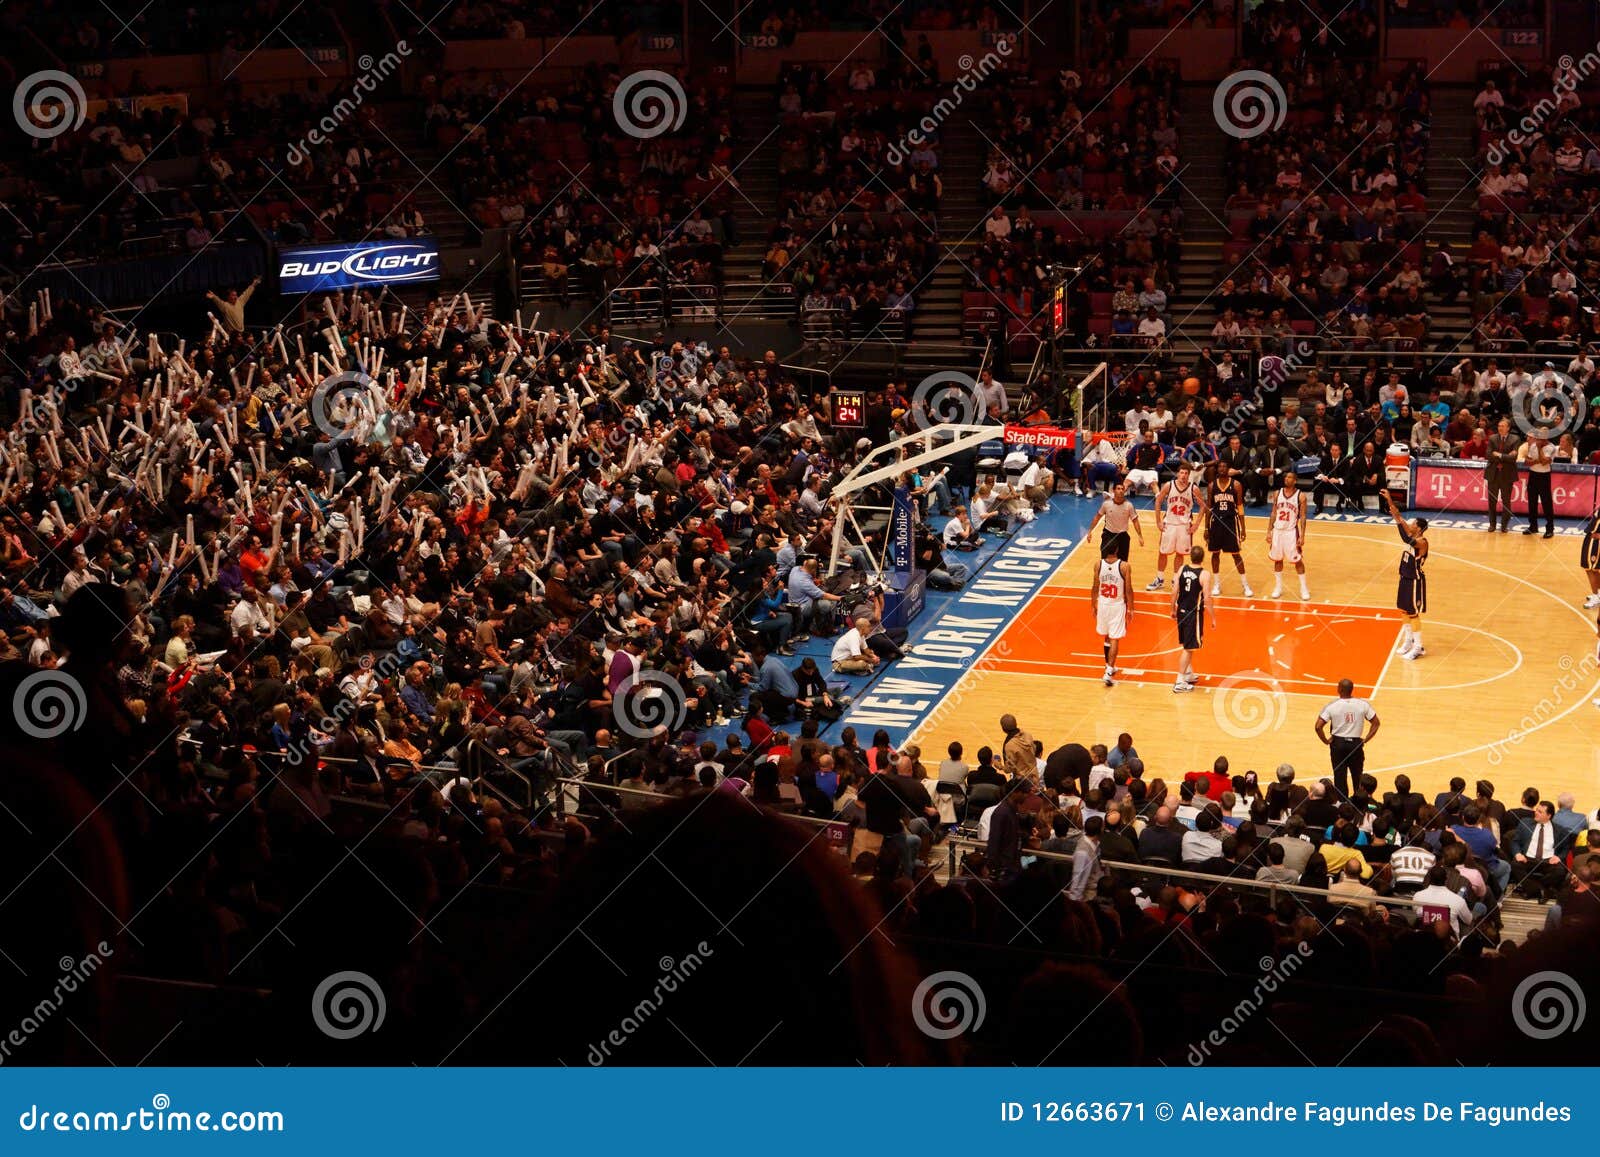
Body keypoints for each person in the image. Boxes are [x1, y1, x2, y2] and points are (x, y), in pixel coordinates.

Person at [1314, 678, 1379, 800]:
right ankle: (1359, 803)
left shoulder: (1332, 705)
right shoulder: (1362, 704)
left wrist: (1325, 741)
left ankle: (1343, 805)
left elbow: (1318, 727)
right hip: (1355, 745)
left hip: (1338, 745)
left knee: (1339, 777)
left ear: (1339, 689)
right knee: (1357, 777)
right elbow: (1376, 723)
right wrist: (1365, 740)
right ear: (1351, 689)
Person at [1383, 491, 1429, 660]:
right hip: (1404, 578)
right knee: (1403, 610)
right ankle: (1408, 640)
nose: (1410, 524)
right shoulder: (1412, 534)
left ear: (1418, 528)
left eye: (1413, 523)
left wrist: (1399, 521)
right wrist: (1389, 500)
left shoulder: (1422, 542)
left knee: (1413, 613)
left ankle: (1418, 647)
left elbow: (1406, 539)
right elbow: (1398, 516)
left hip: (1415, 581)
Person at [1146, 463, 1200, 592]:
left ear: (1189, 475)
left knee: (1180, 554)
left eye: (1186, 473)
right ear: (1177, 473)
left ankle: (1176, 580)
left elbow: (1203, 506)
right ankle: (1159, 579)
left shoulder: (1194, 489)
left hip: (1184, 526)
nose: (1183, 475)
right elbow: (1158, 501)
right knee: (1163, 552)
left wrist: (1196, 524)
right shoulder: (1169, 485)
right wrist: (1158, 521)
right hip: (1169, 524)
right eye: (1181, 473)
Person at [1171, 545, 1215, 693]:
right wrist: (1213, 617)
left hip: (1181, 611)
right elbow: (1207, 598)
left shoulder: (1182, 569)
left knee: (1186, 644)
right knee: (1189, 648)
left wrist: (1172, 608)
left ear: (1191, 556)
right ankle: (1180, 681)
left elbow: (1175, 590)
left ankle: (1188, 674)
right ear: (1203, 558)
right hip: (1193, 614)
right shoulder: (1204, 574)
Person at [1206, 464, 1251, 596]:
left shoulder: (1236, 485)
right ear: (1217, 470)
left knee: (1236, 555)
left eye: (1224, 467)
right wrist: (1206, 528)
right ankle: (1216, 584)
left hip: (1231, 522)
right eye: (1219, 467)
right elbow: (1209, 507)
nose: (1222, 469)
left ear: (1228, 470)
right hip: (1216, 523)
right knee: (1215, 554)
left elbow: (1240, 507)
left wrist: (1243, 528)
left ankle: (1245, 585)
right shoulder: (1211, 486)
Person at [1091, 542, 1132, 687]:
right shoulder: (1124, 566)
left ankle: (1109, 665)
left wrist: (1093, 604)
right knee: (1115, 638)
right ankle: (1108, 672)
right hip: (1116, 605)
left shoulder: (1098, 565)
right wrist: (1131, 608)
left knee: (1107, 636)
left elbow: (1095, 586)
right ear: (1117, 550)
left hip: (1102, 604)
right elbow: (1128, 589)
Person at [1510, 800, 1567, 901]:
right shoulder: (1525, 822)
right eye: (1537, 810)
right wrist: (1518, 854)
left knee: (1560, 871)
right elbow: (1515, 842)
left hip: (1548, 861)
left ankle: (1532, 889)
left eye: (1540, 812)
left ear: (1549, 816)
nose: (1536, 813)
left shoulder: (1559, 830)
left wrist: (1558, 857)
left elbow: (1565, 848)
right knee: (1515, 864)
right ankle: (1542, 890)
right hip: (1528, 859)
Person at [1267, 469, 1310, 601]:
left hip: (1291, 532)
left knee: (1297, 561)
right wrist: (1269, 531)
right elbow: (1273, 513)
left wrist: (1302, 535)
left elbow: (1303, 517)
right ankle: (1278, 587)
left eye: (1290, 478)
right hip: (1277, 531)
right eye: (1286, 477)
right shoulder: (1277, 493)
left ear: (1295, 481)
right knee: (1278, 559)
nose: (1287, 479)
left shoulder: (1300, 496)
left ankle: (1303, 588)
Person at [1084, 481, 1143, 562]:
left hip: (1123, 536)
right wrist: (1090, 531)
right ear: (1113, 490)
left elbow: (1135, 521)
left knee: (1123, 563)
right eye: (1118, 489)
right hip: (1108, 534)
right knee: (1105, 561)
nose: (1121, 491)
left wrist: (1140, 536)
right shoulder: (1106, 504)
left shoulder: (1129, 506)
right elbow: (1097, 517)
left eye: (1122, 489)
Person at [1483, 416, 1519, 532]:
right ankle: (1492, 525)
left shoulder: (1515, 439)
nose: (1500, 428)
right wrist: (1505, 456)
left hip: (1507, 475)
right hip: (1493, 474)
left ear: (1508, 428)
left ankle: (1504, 526)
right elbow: (1488, 455)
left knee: (1506, 501)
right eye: (1498, 426)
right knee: (1492, 501)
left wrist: (1499, 455)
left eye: (1502, 426)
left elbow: (1513, 458)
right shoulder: (1492, 438)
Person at [1520, 427, 1556, 537]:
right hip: (1533, 475)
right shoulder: (1533, 445)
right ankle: (1533, 526)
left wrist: (1539, 449)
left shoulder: (1551, 447)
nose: (1540, 436)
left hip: (1544, 476)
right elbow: (1527, 462)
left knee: (1546, 503)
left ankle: (1550, 528)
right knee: (1532, 502)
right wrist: (1536, 461)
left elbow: (1545, 462)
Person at [1581, 506, 1600, 608]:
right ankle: (1598, 593)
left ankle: (1596, 596)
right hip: (1590, 538)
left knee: (1592, 569)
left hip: (1596, 542)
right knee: (1591, 568)